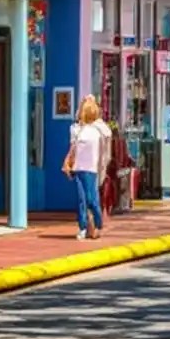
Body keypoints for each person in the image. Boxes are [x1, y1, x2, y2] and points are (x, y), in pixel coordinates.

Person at [63, 94, 112, 240]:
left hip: (92, 169)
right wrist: (69, 163)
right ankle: (83, 227)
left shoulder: (99, 129)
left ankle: (98, 224)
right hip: (79, 168)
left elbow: (107, 138)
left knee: (92, 199)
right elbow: (73, 147)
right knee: (81, 199)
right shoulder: (76, 129)